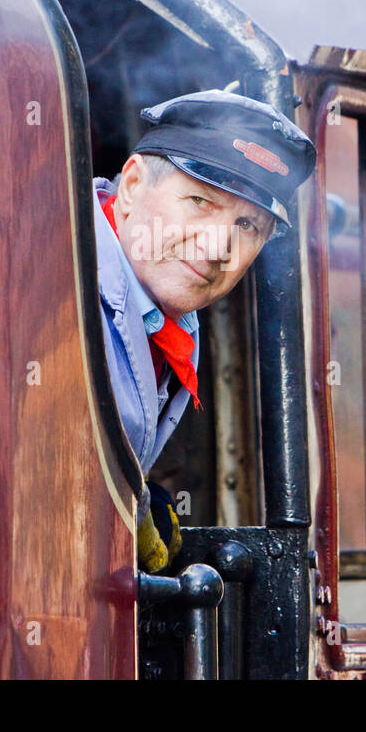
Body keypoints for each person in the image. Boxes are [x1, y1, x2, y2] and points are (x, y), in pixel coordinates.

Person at [92, 89, 316, 571]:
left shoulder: (165, 318)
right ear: (131, 185)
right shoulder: (56, 279)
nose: (220, 247)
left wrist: (131, 498)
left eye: (249, 226)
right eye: (199, 201)